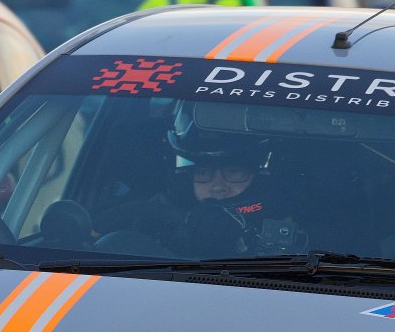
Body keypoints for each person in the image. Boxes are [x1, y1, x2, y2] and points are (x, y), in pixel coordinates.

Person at [91, 107, 306, 256]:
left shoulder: (288, 218)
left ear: (256, 176)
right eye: (203, 173)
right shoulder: (149, 215)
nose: (218, 186)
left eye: (234, 172)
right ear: (186, 179)